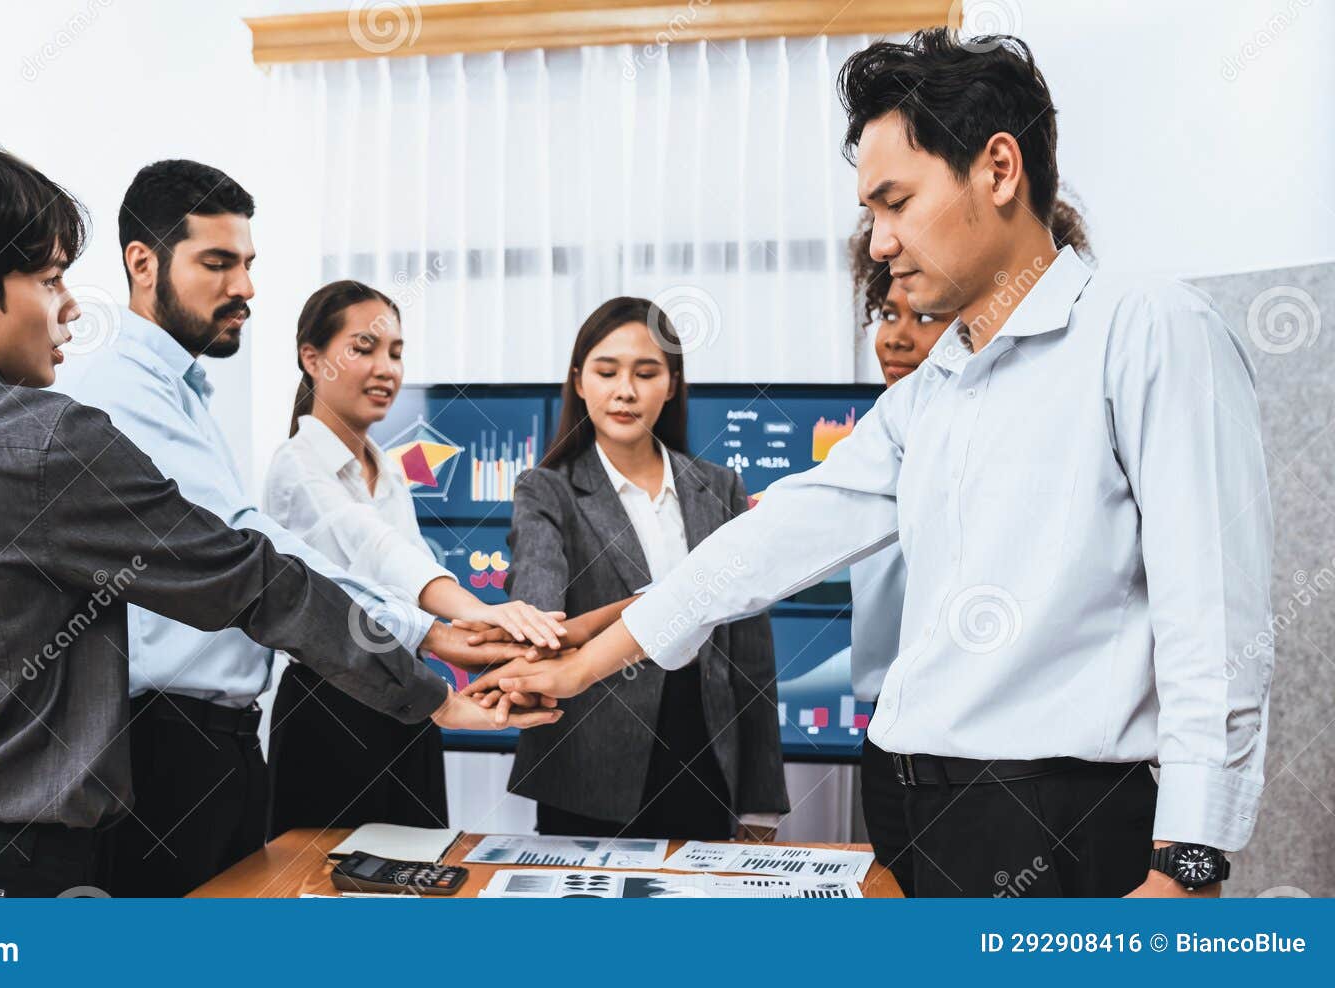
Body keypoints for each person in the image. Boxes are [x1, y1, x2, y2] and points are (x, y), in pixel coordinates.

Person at [471, 30, 1273, 899]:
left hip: (1057, 821)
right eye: (870, 213)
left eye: (896, 203)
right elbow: (767, 543)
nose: (880, 242)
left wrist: (1188, 867)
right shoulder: (936, 388)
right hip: (919, 812)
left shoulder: (1147, 329)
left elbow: (1216, 621)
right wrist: (580, 666)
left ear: (999, 170)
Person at [0, 141, 558, 899]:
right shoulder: (47, 439)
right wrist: (426, 692)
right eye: (50, 279)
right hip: (32, 874)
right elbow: (246, 576)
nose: (68, 308)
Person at [51, 163, 547, 896]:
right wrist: (432, 631)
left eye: (248, 265)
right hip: (171, 742)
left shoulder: (183, 395)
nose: (245, 288)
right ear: (142, 263)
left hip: (222, 736)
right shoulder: (126, 394)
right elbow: (255, 550)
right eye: (217, 263)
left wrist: (435, 632)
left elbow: (364, 556)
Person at [262, 279, 574, 837]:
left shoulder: (388, 469)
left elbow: (404, 580)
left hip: (407, 697)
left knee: (421, 877)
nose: (386, 368)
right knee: (321, 894)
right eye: (364, 348)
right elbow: (376, 553)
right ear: (312, 358)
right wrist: (478, 611)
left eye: (396, 352)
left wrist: (496, 646)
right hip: (330, 710)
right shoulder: (296, 463)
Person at [845, 196, 1092, 893]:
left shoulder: (1040, 425)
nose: (895, 337)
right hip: (894, 742)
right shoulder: (888, 431)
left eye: (922, 318)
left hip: (1012, 763)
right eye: (885, 315)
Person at [489, 296, 787, 841]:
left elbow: (752, 658)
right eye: (606, 372)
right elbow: (538, 589)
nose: (625, 390)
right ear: (579, 381)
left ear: (672, 384)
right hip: (587, 762)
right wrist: (536, 621)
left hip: (705, 748)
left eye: (646, 373)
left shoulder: (720, 489)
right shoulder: (546, 489)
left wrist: (761, 804)